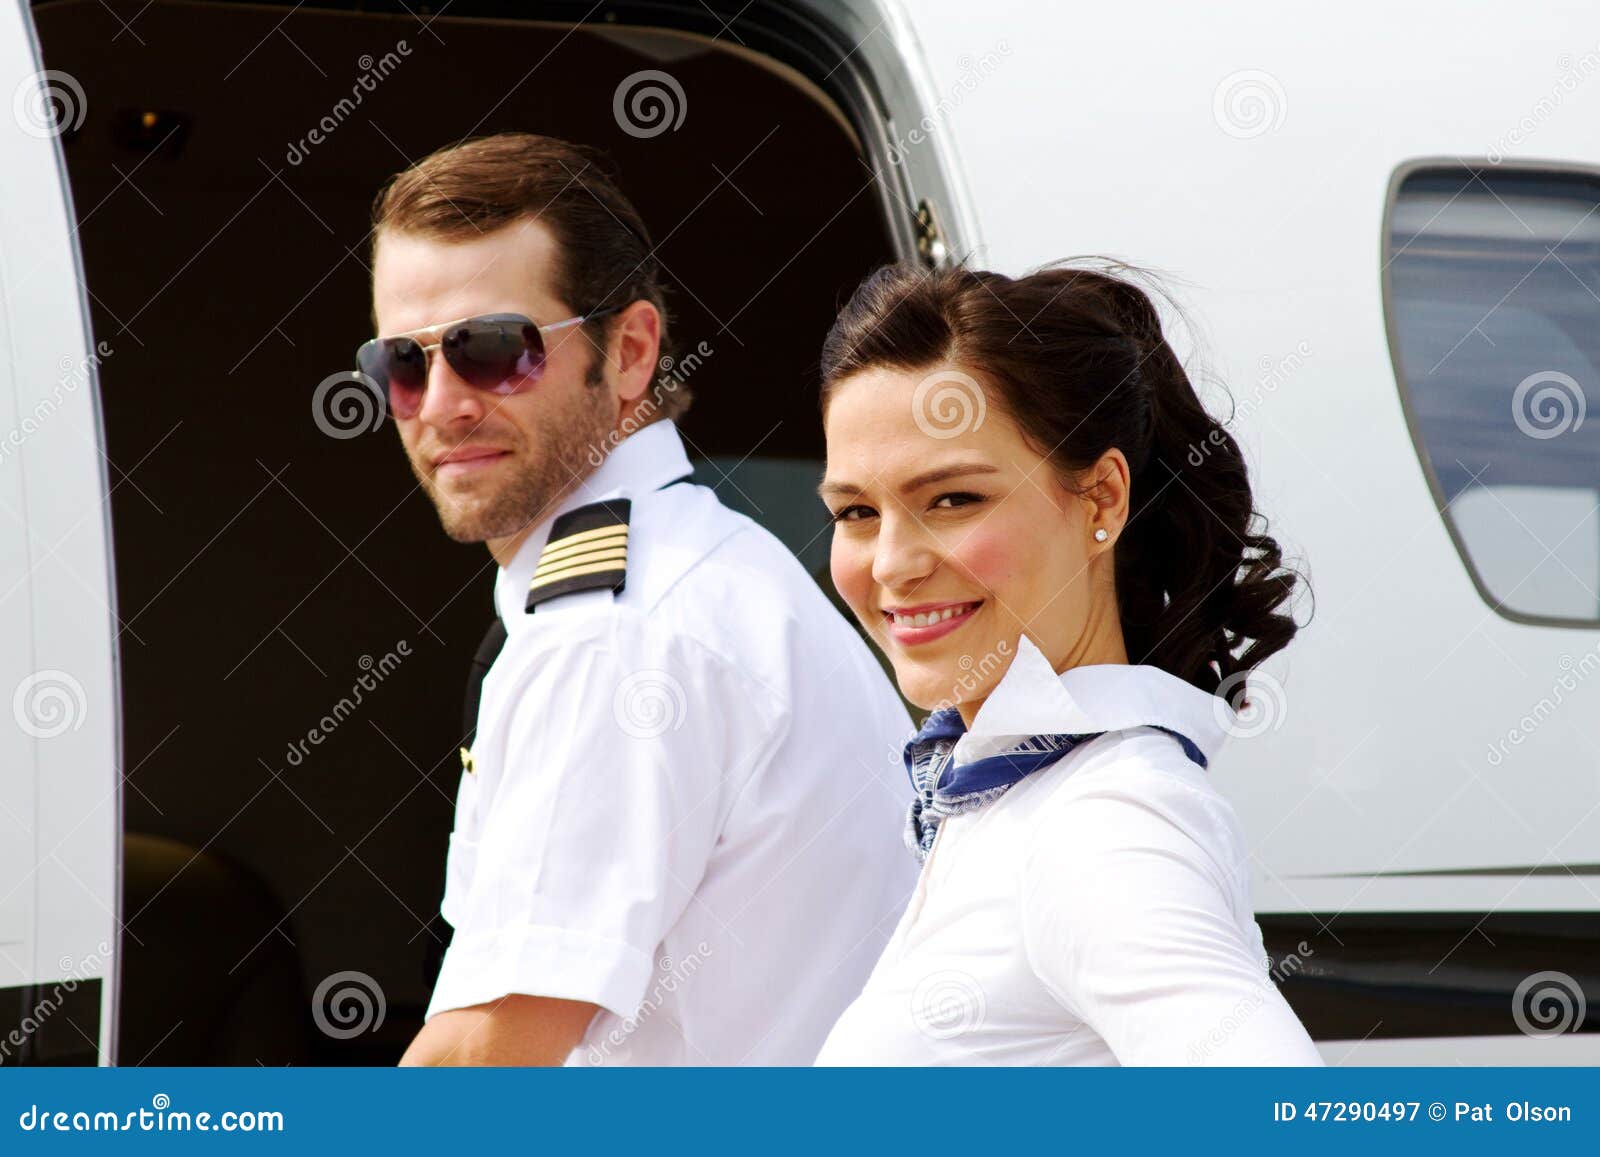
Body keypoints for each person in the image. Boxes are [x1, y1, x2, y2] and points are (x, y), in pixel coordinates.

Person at [360, 133, 916, 1065]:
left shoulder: (617, 633)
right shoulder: (702, 564)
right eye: (403, 367)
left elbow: (486, 1060)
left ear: (630, 352)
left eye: (494, 350)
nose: (444, 403)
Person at [812, 260, 1324, 1065]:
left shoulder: (1105, 823)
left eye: (952, 499)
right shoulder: (1017, 794)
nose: (892, 563)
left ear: (1101, 499)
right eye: (856, 512)